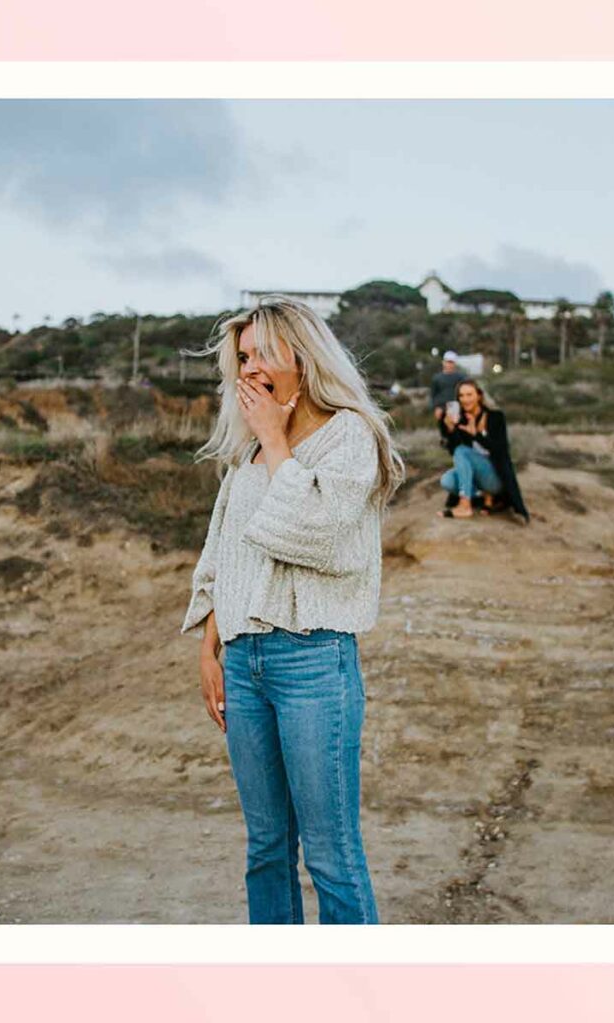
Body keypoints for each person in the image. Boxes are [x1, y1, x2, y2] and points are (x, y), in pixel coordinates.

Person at [182, 296, 404, 925]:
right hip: (245, 662)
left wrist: (277, 440)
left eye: (262, 354)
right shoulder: (247, 452)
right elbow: (225, 556)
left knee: (332, 855)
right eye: (242, 356)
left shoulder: (348, 437)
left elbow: (314, 534)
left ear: (301, 356)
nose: (248, 368)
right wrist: (210, 648)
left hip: (313, 662)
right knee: (266, 850)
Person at [436, 379, 530, 523]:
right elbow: (454, 451)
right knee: (447, 481)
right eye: (461, 396)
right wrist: (450, 429)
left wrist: (477, 435)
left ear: (479, 395)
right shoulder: (461, 418)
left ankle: (466, 505)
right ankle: (484, 498)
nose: (465, 400)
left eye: (469, 395)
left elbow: (501, 450)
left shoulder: (495, 417)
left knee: (463, 451)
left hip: (495, 477)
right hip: (476, 477)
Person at [429, 350, 465, 422]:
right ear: (443, 362)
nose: (449, 364)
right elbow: (433, 394)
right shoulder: (436, 378)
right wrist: (435, 407)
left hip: (454, 405)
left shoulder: (460, 377)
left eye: (452, 362)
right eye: (448, 362)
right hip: (441, 406)